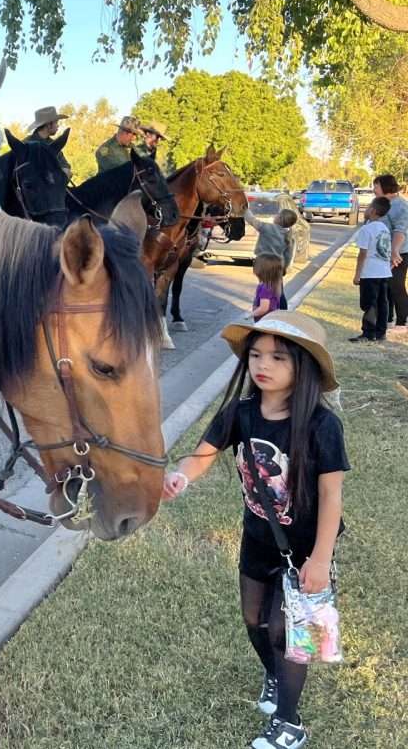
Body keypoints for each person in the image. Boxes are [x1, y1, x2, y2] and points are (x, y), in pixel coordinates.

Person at [163, 311, 347, 749]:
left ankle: (289, 723)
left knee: (287, 633)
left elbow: (332, 496)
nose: (263, 365)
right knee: (253, 620)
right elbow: (202, 455)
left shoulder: (323, 425)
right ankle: (275, 677)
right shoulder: (241, 412)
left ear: (302, 366)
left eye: (278, 358)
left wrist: (320, 558)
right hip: (258, 539)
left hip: (305, 548)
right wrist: (182, 476)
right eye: (256, 355)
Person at [349, 196, 393, 342]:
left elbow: (363, 254)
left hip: (370, 273)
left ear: (373, 211)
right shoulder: (384, 229)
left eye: (367, 207)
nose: (365, 209)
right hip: (384, 271)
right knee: (383, 302)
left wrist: (357, 275)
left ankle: (368, 333)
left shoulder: (366, 230)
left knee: (369, 303)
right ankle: (381, 332)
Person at [246, 206, 299, 311]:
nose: (275, 216)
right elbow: (288, 256)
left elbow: (252, 220)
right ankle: (282, 312)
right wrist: (283, 269)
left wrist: (245, 210)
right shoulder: (289, 236)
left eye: (278, 215)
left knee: (263, 289)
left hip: (264, 263)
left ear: (280, 218)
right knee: (279, 290)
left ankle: (259, 310)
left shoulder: (267, 228)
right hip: (278, 265)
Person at [372, 174, 407, 330]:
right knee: (386, 287)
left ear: (385, 187)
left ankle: (402, 322)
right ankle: (388, 319)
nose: (374, 189)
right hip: (385, 253)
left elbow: (400, 231)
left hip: (401, 253)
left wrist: (394, 252)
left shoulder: (400, 206)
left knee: (396, 286)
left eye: (376, 186)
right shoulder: (383, 203)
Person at [24, 105, 72, 180]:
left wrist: (65, 172)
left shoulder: (54, 144)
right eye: (56, 122)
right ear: (49, 125)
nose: (58, 126)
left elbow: (65, 166)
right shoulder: (26, 144)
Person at [251, 254, 283, 321]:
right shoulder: (274, 284)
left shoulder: (265, 288)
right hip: (271, 318)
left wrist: (250, 315)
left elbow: (263, 308)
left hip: (264, 320)